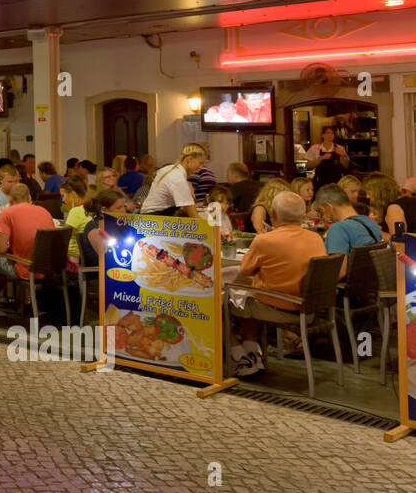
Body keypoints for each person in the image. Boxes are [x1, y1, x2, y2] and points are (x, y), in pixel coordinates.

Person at [227, 191, 327, 376]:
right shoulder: (316, 239)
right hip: (308, 307)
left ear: (272, 213)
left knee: (220, 299)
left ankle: (239, 355)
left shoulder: (265, 240)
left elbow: (246, 270)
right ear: (303, 215)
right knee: (246, 296)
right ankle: (253, 353)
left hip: (278, 305)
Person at [0, 183, 59, 312]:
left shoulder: (7, 213)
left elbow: (1, 249)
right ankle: (9, 299)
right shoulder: (44, 211)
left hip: (26, 268)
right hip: (48, 268)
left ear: (10, 199)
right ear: (29, 198)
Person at [316, 183, 383, 278]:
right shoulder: (370, 221)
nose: (323, 217)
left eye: (321, 211)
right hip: (372, 283)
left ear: (329, 207)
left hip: (349, 288)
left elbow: (339, 272)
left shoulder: (338, 228)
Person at [139, 144, 207, 218]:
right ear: (189, 159)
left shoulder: (169, 169)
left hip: (149, 215)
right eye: (200, 163)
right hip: (155, 217)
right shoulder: (177, 177)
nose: (201, 167)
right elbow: (194, 216)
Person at [61, 178, 91, 258]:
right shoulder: (92, 207)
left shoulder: (76, 211)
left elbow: (64, 237)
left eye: (63, 196)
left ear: (73, 194)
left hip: (74, 257)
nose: (63, 200)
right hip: (87, 256)